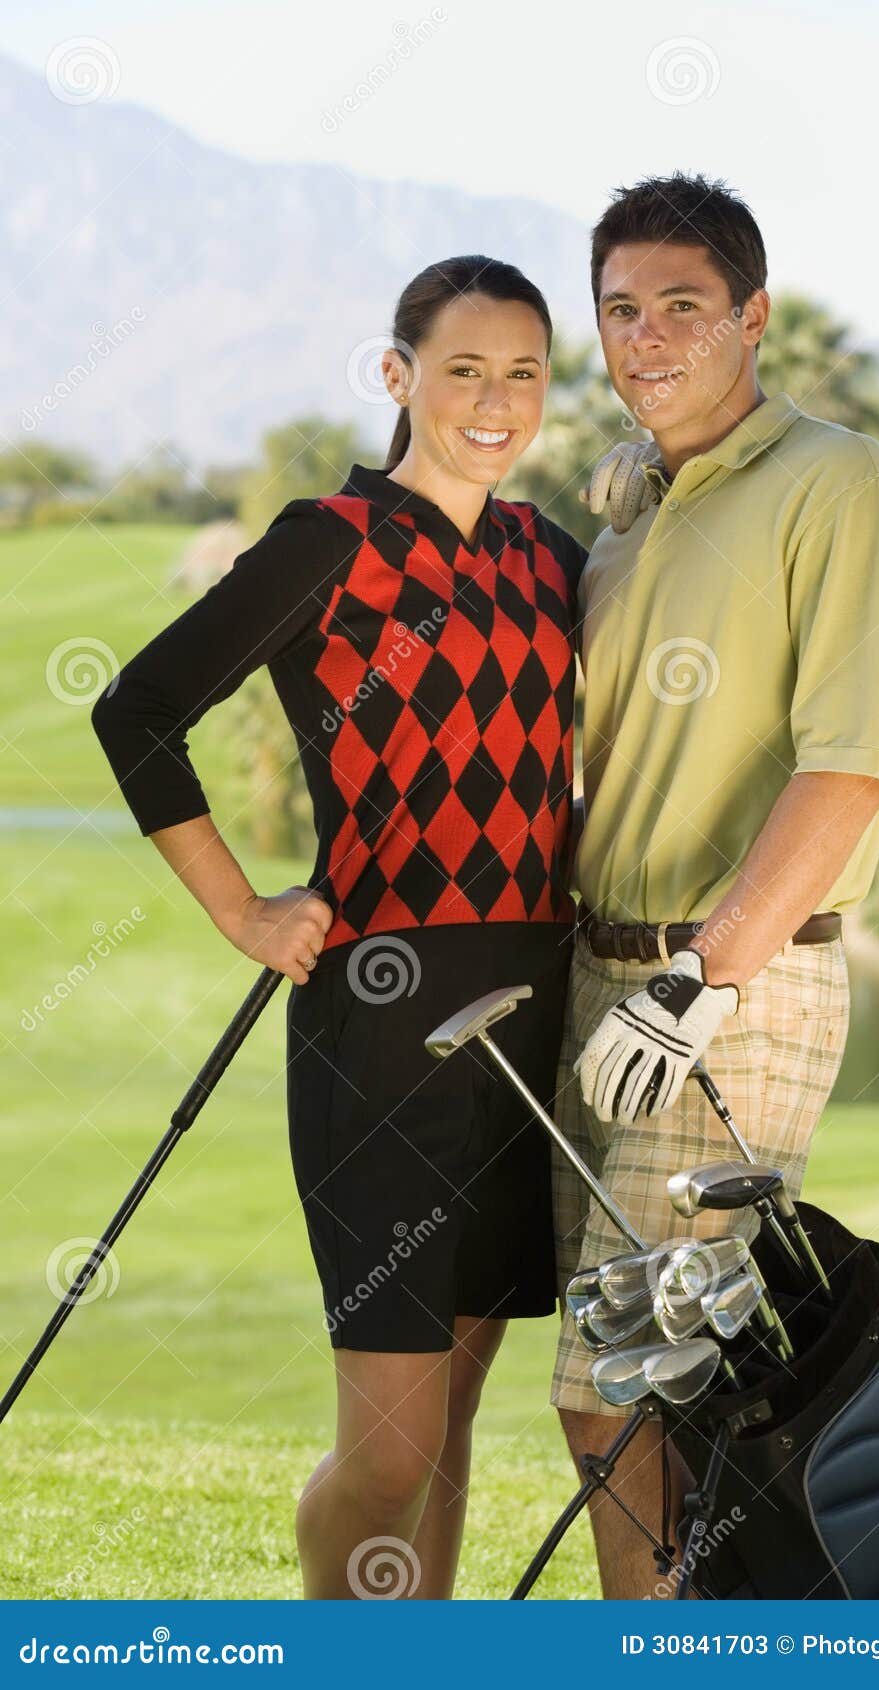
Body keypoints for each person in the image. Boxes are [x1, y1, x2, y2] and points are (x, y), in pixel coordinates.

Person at [91, 255, 586, 1600]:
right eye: (464, 368)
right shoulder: (333, 542)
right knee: (389, 1445)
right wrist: (243, 908)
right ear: (398, 374)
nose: (495, 400)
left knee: (457, 1424)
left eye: (525, 371)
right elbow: (136, 711)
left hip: (535, 1010)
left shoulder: (553, 557)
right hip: (381, 1023)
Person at [549, 173, 879, 1598]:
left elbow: (849, 769)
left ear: (754, 315)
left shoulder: (841, 483)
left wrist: (700, 981)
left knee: (624, 1381)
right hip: (608, 977)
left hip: (728, 989)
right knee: (643, 1389)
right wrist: (625, 534)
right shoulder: (631, 514)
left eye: (685, 309)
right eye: (621, 311)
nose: (646, 338)